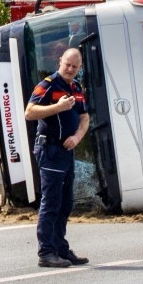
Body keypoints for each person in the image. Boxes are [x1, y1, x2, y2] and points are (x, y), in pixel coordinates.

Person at [25, 45, 90, 268]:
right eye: (67, 64)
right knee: (51, 203)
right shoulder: (48, 85)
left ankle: (61, 248)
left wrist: (77, 137)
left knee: (65, 203)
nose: (70, 69)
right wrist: (57, 107)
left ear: (80, 67)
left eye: (75, 66)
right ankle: (46, 252)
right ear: (60, 61)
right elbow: (29, 112)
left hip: (67, 151)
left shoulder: (76, 87)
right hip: (50, 150)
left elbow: (84, 118)